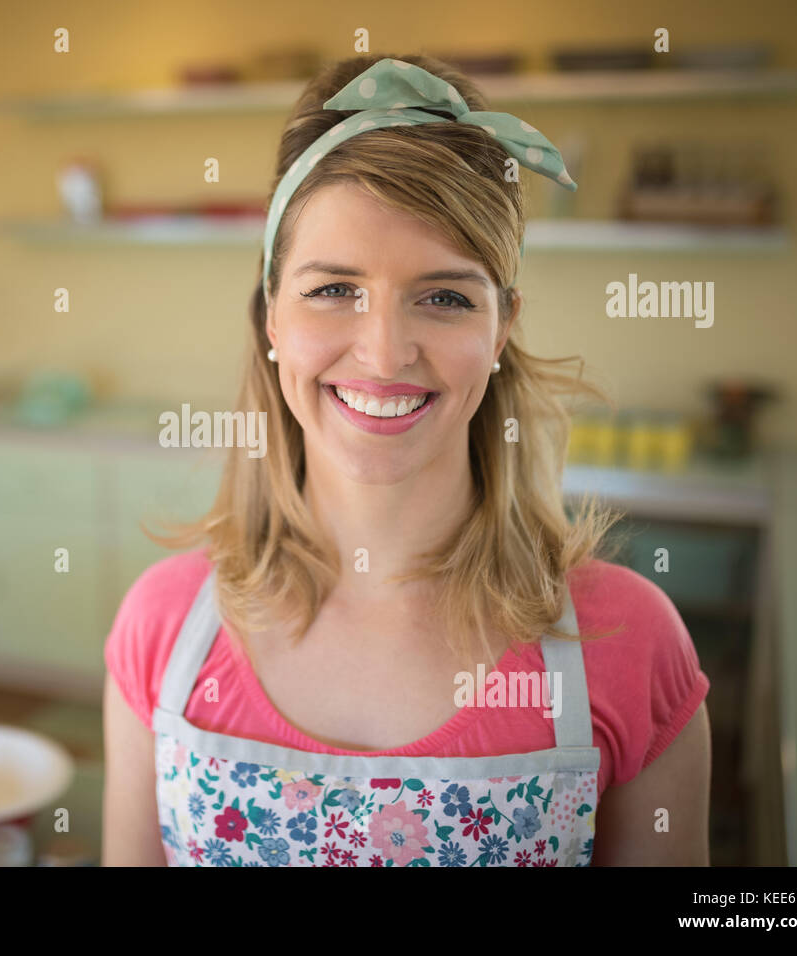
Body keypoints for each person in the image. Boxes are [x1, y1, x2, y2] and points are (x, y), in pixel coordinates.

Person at [102, 52, 711, 867]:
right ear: (272, 317)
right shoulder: (163, 631)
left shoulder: (631, 645)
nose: (385, 354)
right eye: (333, 290)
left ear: (500, 330)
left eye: (446, 297)